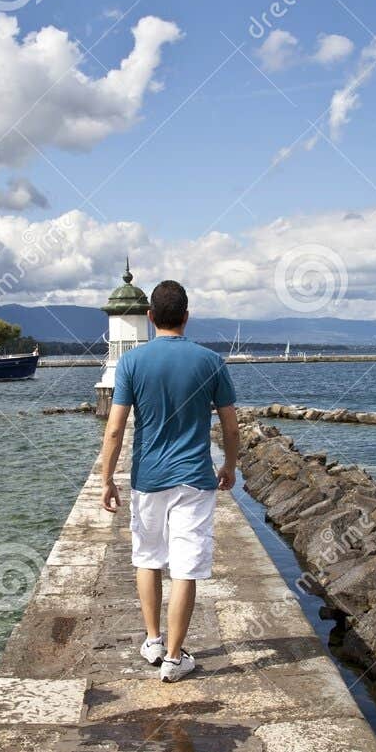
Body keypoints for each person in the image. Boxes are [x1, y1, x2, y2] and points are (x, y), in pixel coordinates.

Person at [99, 278, 239, 682]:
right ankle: (175, 659)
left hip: (148, 478)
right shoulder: (210, 362)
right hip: (195, 479)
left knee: (147, 558)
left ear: (149, 317)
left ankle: (154, 640)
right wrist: (230, 465)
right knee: (185, 568)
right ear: (187, 317)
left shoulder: (130, 363)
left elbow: (115, 428)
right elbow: (230, 426)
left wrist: (108, 479)